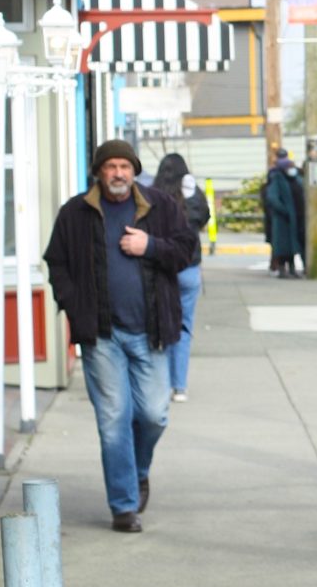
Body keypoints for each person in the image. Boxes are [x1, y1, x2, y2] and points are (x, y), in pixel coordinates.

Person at [44, 139, 197, 532]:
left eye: (124, 167)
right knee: (114, 419)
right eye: (110, 166)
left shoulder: (160, 206)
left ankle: (137, 470)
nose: (117, 173)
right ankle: (124, 505)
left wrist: (150, 246)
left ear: (134, 170)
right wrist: (74, 306)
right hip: (101, 335)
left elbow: (186, 250)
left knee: (153, 415)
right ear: (98, 171)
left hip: (151, 331)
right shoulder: (75, 213)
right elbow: (56, 261)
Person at [153, 152, 210, 402]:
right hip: (189, 267)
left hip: (164, 268)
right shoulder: (193, 194)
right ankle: (180, 386)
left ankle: (162, 383)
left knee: (162, 325)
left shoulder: (155, 195)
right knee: (184, 326)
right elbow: (204, 216)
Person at [263, 147, 306, 277]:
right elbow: (272, 197)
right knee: (283, 245)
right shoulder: (276, 177)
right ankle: (282, 269)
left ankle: (292, 269)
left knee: (293, 245)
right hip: (282, 219)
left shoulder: (297, 178)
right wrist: (284, 210)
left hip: (295, 217)